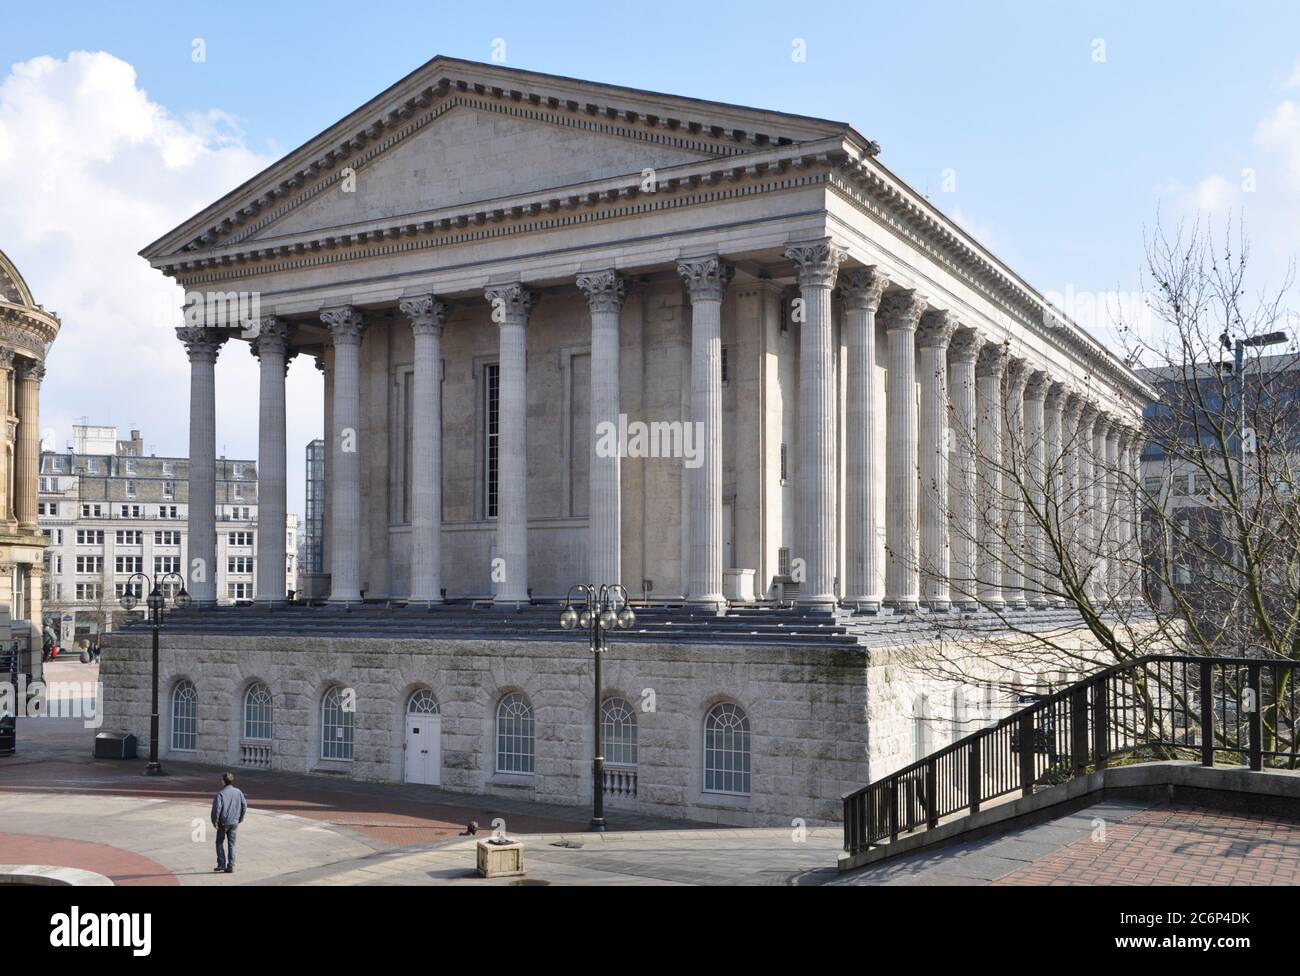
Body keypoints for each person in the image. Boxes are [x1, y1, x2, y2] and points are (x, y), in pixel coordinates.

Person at [210, 771, 247, 874]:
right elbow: (244, 805)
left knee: (219, 842)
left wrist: (215, 822)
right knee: (232, 844)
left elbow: (216, 810)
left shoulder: (220, 794)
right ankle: (231, 865)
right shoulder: (238, 792)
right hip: (234, 821)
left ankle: (221, 864)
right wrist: (241, 818)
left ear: (223, 781)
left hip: (223, 822)